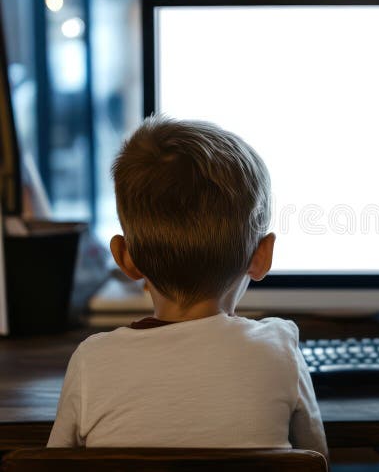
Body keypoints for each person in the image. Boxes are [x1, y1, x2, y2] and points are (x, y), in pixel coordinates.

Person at [48, 117, 327, 455]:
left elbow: (57, 462)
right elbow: (315, 460)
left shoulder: (91, 361)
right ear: (262, 255)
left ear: (125, 258)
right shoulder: (280, 349)